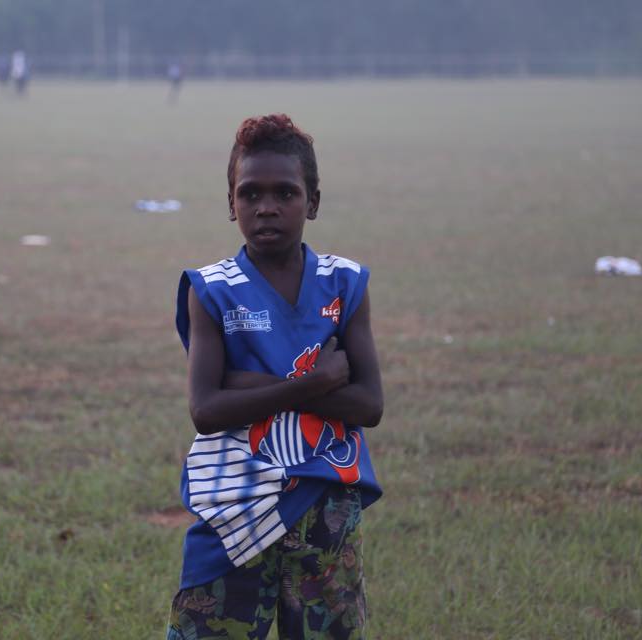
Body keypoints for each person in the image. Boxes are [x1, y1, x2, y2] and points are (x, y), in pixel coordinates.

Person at [166, 114, 384, 639]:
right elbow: (206, 411)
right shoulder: (211, 289)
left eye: (285, 193)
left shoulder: (345, 283)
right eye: (250, 194)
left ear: (312, 202)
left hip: (325, 508)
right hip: (233, 503)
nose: (266, 207)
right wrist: (312, 383)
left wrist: (250, 385)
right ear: (230, 203)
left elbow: (369, 405)